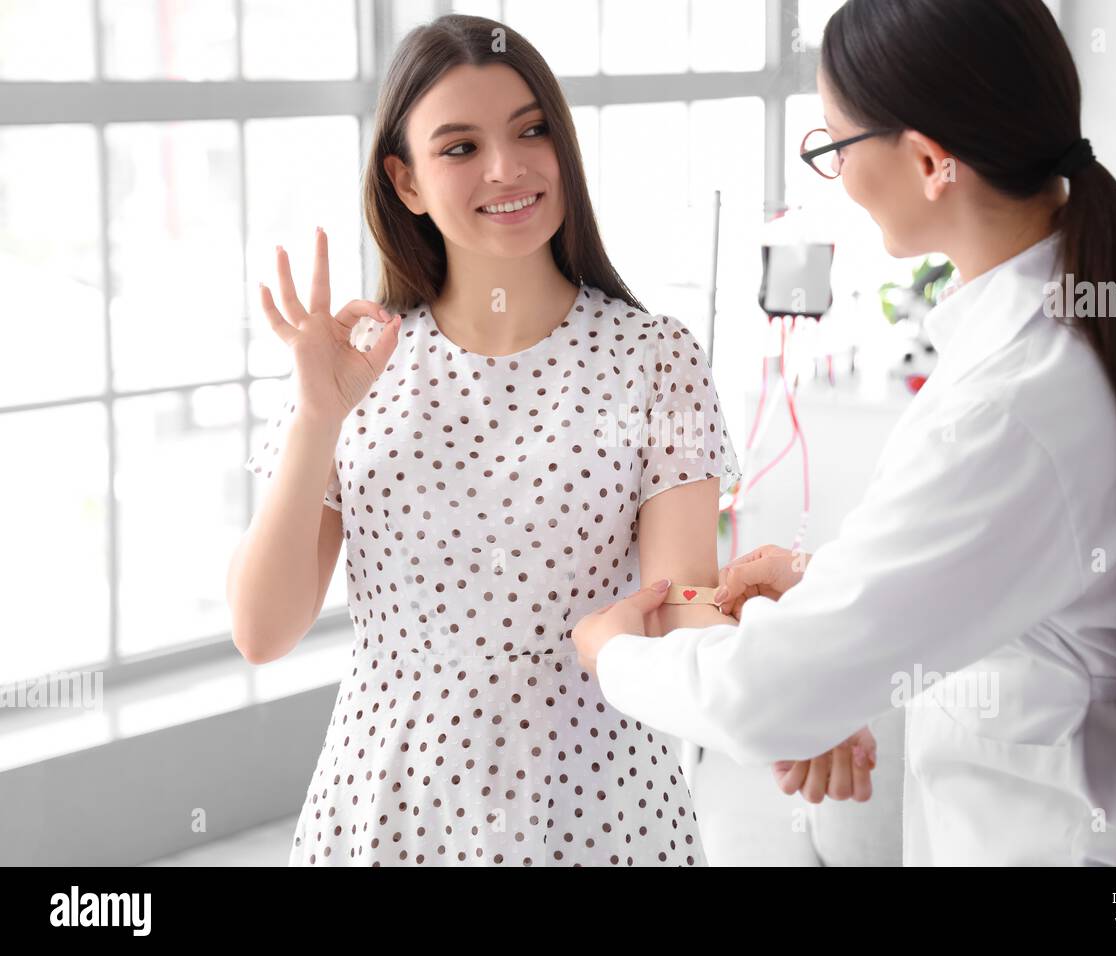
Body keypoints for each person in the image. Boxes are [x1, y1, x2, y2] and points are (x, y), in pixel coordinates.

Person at [572, 0, 1116, 866]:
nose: (833, 175)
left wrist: (613, 653)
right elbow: (1041, 567)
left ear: (927, 161)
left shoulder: (1013, 399)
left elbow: (759, 695)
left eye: (835, 147)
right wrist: (818, 593)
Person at [228, 14, 761, 866]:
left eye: (531, 131)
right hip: (391, 805)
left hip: (600, 802)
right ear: (403, 182)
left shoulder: (655, 359)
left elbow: (675, 610)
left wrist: (795, 672)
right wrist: (318, 419)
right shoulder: (350, 368)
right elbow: (262, 631)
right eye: (460, 147)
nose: (508, 168)